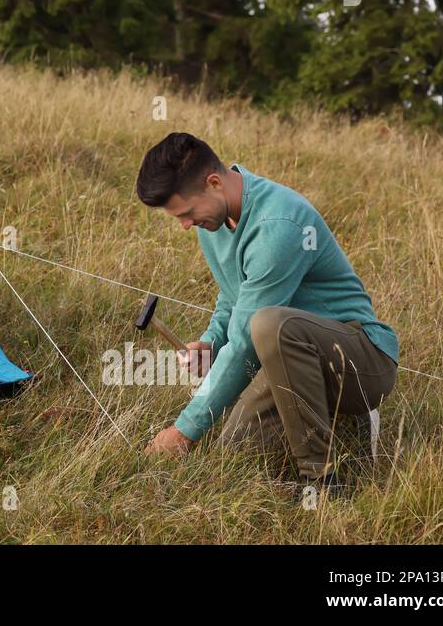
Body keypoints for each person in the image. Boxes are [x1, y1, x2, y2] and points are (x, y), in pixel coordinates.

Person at [135, 132, 398, 498]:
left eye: (186, 213)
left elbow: (246, 341)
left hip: (360, 359)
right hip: (290, 358)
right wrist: (212, 341)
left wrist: (183, 430)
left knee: (269, 324)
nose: (184, 224)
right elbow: (234, 295)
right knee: (233, 453)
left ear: (213, 183)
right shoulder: (215, 217)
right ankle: (337, 424)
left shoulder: (279, 225)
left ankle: (321, 482)